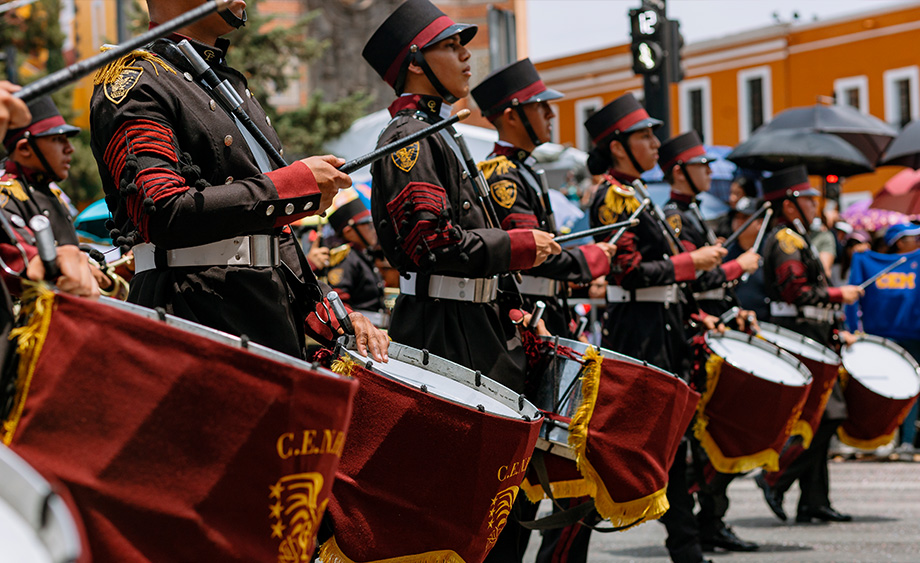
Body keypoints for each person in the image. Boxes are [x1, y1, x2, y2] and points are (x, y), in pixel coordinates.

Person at [90, 0, 387, 361]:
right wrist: (293, 186)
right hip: (192, 317)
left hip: (266, 314)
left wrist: (324, 308)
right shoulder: (136, 81)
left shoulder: (227, 85)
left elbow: (269, 232)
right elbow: (162, 212)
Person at [362, 0, 559, 391]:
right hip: (443, 330)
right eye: (451, 46)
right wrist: (515, 245)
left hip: (476, 323)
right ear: (415, 63)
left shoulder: (440, 131)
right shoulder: (409, 137)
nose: (466, 54)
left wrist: (514, 308)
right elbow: (430, 243)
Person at [577, 93, 724, 563]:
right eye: (645, 136)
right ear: (618, 146)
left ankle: (687, 545)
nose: (656, 143)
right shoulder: (612, 196)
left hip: (663, 326)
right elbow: (626, 272)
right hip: (638, 330)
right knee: (616, 448)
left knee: (671, 445)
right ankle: (564, 547)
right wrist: (689, 263)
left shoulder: (638, 194)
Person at [659, 131, 760, 553]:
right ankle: (691, 535)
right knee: (696, 444)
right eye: (702, 166)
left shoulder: (695, 216)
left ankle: (708, 524)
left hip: (709, 331)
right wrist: (736, 265)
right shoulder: (676, 216)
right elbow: (691, 277)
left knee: (718, 439)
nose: (709, 172)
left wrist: (735, 309)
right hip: (686, 339)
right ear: (680, 172)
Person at [470, 58, 614, 337]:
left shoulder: (526, 169)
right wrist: (588, 259)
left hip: (549, 306)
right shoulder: (502, 175)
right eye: (540, 106)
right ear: (512, 116)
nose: (551, 114)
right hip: (525, 312)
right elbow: (532, 253)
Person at [754, 165, 863, 524]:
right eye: (808, 200)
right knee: (825, 415)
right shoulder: (787, 240)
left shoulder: (798, 236)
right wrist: (838, 293)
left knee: (823, 416)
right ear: (790, 206)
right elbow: (795, 291)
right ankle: (775, 477)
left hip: (812, 333)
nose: (816, 205)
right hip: (800, 334)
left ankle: (814, 500)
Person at [1, 95, 101, 299]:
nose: (69, 148)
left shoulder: (54, 195)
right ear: (25, 148)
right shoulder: (6, 195)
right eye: (57, 139)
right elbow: (23, 269)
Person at [845, 222, 920, 448]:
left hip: (914, 337)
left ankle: (906, 440)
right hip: (878, 339)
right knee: (882, 390)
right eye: (913, 238)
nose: (918, 241)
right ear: (899, 242)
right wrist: (852, 329)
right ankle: (878, 440)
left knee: (913, 389)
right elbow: (851, 299)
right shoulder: (867, 261)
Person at [324, 190, 386, 318]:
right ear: (349, 231)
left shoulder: (363, 255)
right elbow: (339, 301)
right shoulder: (345, 258)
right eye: (368, 225)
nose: (373, 230)